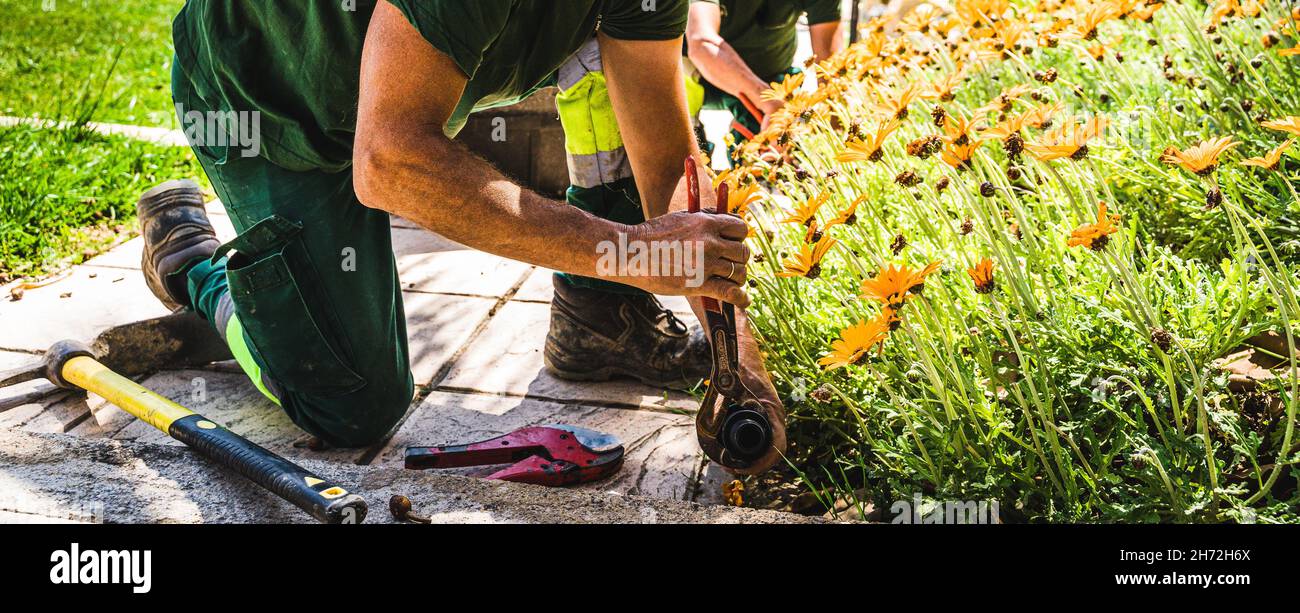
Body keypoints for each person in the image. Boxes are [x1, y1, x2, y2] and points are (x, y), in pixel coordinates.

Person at [137, 0, 785, 473]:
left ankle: (597, 314)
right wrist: (627, 252)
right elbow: (389, 159)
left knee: (604, 61)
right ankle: (201, 273)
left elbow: (668, 164)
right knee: (352, 408)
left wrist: (744, 363)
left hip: (377, 97)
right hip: (265, 100)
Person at [684, 0, 845, 160]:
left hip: (770, 74)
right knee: (683, 154)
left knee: (776, 154)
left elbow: (831, 67)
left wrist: (837, 145)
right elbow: (701, 44)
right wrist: (770, 103)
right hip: (698, 72)